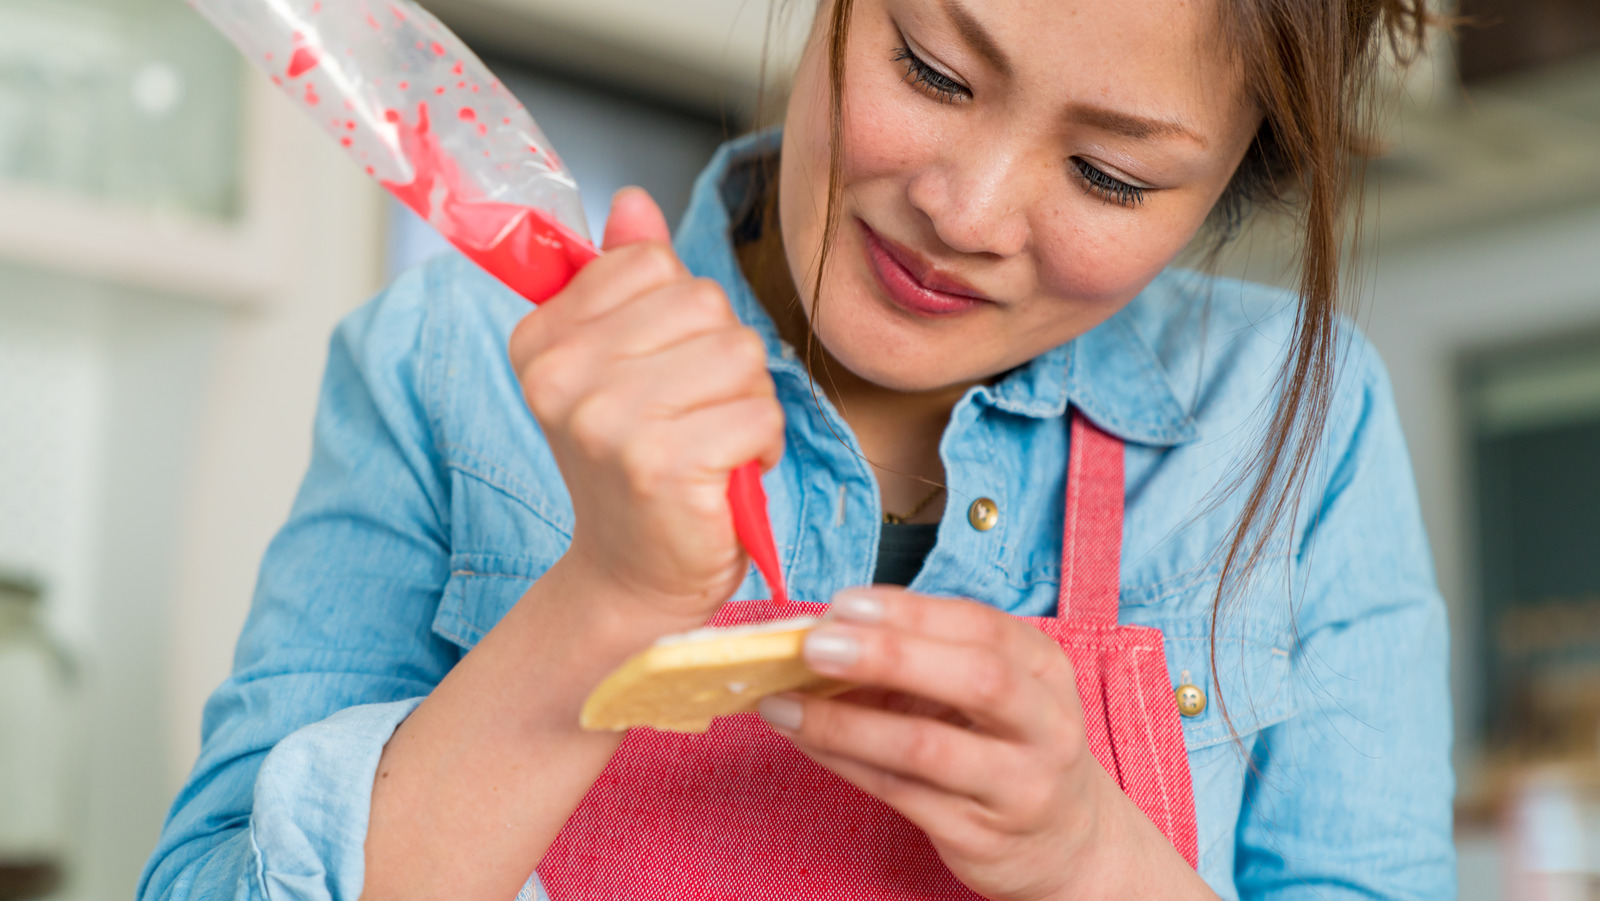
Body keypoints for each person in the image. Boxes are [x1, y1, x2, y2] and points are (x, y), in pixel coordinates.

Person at [139, 0, 1456, 898]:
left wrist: (1083, 850)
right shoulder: (446, 363)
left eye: (1110, 176)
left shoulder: (1297, 418)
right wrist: (611, 601)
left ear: (1235, 183)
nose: (963, 209)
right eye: (932, 70)